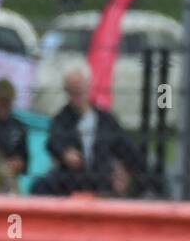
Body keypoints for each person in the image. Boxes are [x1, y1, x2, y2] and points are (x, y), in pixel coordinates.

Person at [31, 66, 143, 197]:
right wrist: (64, 153)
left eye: (79, 88)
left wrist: (126, 173)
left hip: (101, 184)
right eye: (72, 90)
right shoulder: (61, 119)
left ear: (89, 87)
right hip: (69, 184)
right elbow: (53, 142)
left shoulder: (105, 120)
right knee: (40, 186)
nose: (76, 94)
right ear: (66, 91)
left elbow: (127, 149)